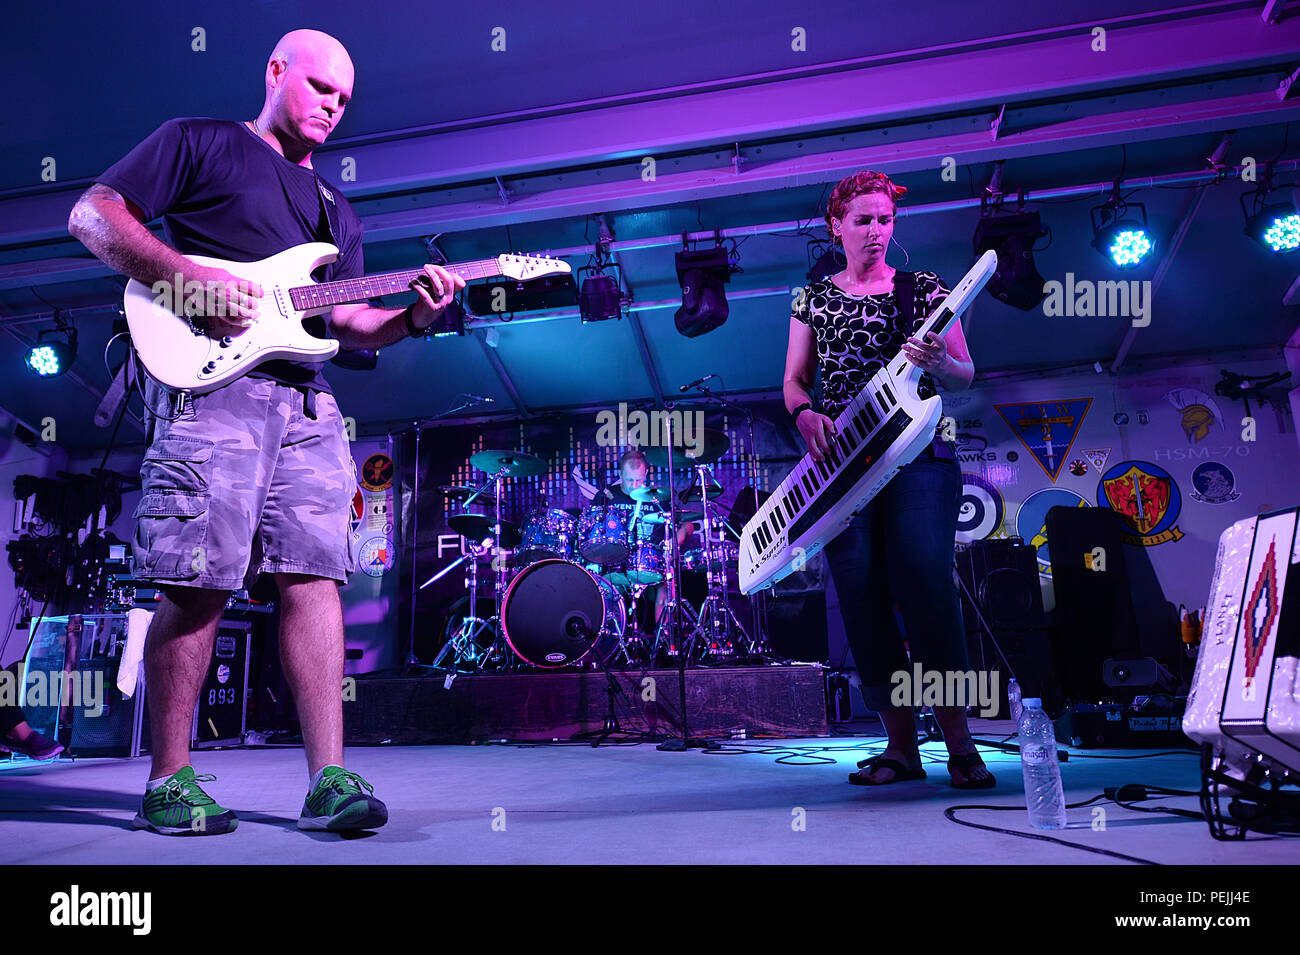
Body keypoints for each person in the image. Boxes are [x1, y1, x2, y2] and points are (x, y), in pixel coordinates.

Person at [67, 29, 466, 834]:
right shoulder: (202, 142)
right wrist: (183, 275)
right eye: (321, 87)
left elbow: (346, 318)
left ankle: (330, 779)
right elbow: (91, 213)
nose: (333, 106)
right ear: (276, 71)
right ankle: (168, 778)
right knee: (198, 577)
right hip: (214, 394)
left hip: (308, 406)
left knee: (316, 575)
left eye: (345, 99)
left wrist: (411, 320)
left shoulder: (334, 210)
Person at [783, 170, 994, 789]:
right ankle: (901, 748)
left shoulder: (924, 288)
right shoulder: (811, 299)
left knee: (925, 579)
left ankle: (960, 743)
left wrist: (942, 362)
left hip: (921, 455)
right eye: (864, 220)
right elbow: (794, 381)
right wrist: (803, 413)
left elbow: (965, 375)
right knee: (861, 592)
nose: (877, 231)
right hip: (844, 468)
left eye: (885, 220)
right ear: (836, 226)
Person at [572, 450, 696, 630]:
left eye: (639, 479)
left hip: (651, 562)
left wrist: (671, 547)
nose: (634, 485)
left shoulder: (658, 496)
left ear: (646, 473)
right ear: (620, 474)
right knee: (600, 587)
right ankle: (611, 640)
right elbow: (593, 532)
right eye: (629, 480)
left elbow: (688, 525)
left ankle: (664, 641)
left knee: (668, 584)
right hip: (616, 563)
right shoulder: (606, 496)